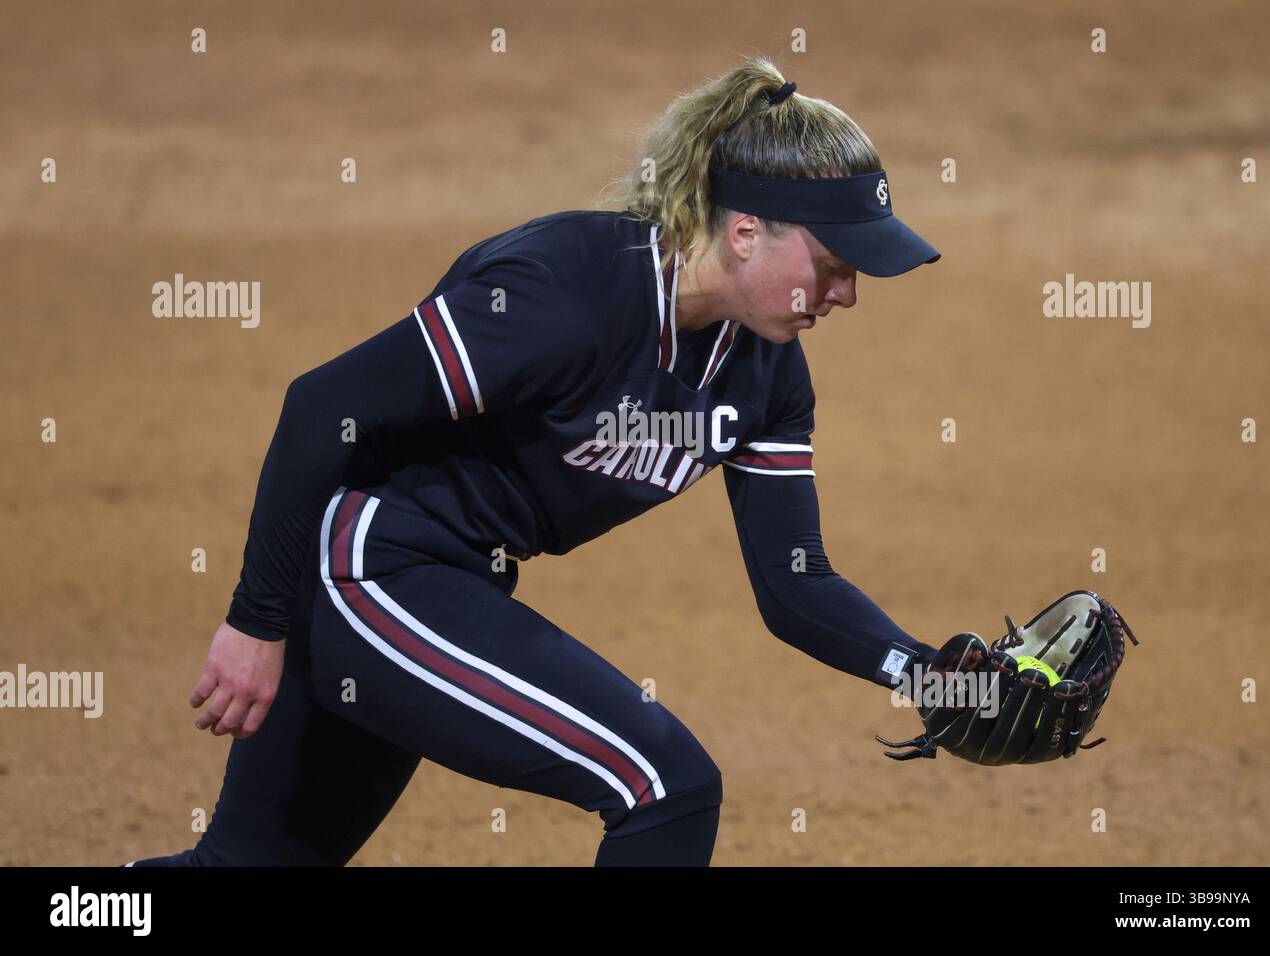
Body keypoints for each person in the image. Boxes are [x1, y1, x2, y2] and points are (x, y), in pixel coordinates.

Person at [127, 57, 941, 868]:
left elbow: (796, 586)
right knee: (663, 786)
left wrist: (933, 676)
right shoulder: (562, 293)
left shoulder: (766, 374)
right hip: (370, 571)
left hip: (444, 586)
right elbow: (323, 408)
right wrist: (255, 622)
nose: (847, 294)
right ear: (745, 232)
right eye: (835, 266)